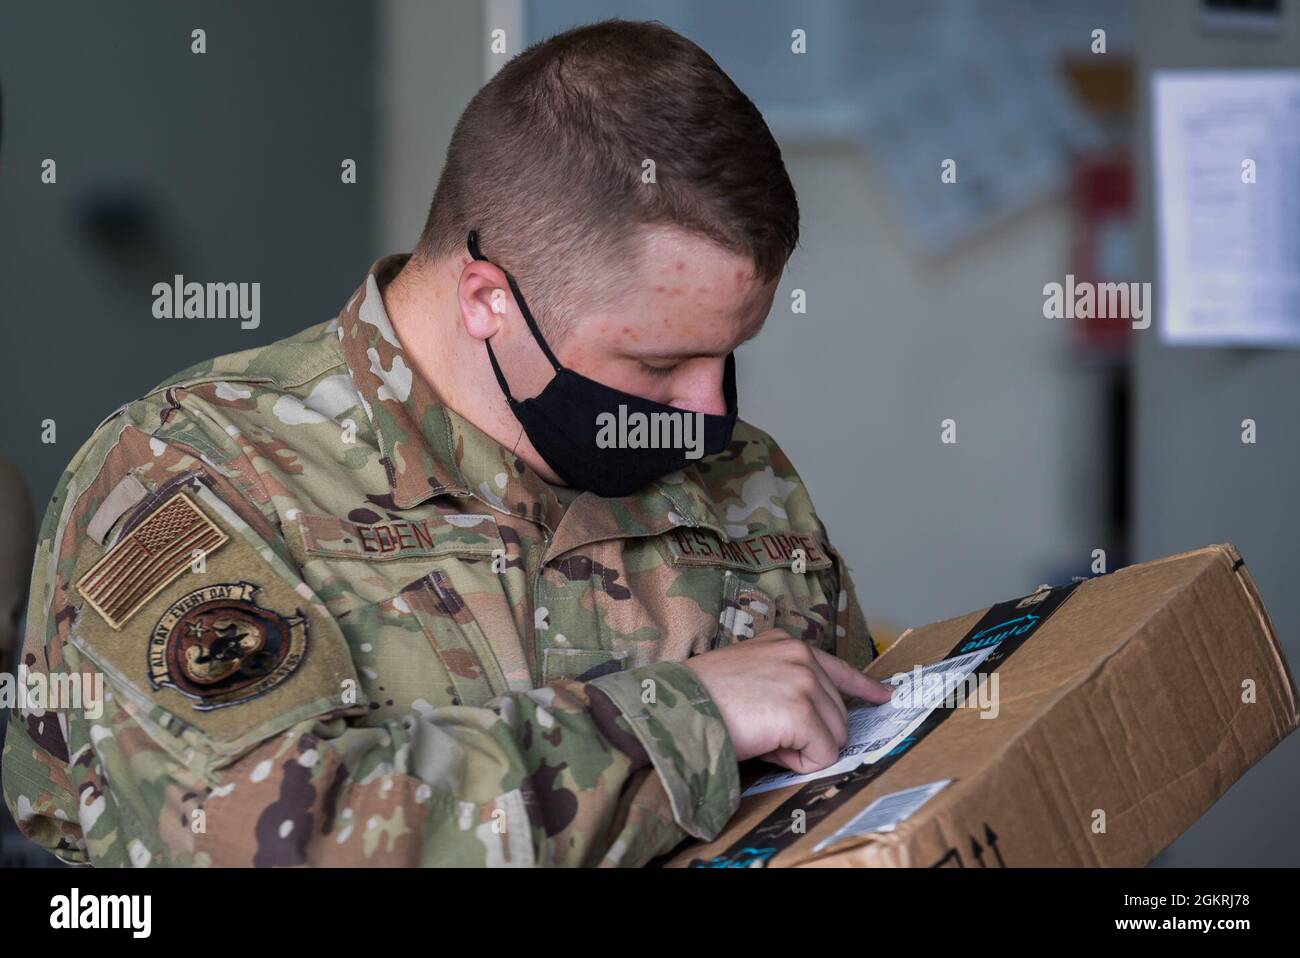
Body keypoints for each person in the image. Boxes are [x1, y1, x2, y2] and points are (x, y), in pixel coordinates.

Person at [1, 19, 890, 867]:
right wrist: (688, 719)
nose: (708, 412)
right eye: (661, 362)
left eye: (728, 355)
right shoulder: (194, 473)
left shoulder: (744, 482)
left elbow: (860, 786)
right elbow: (279, 841)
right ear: (486, 299)